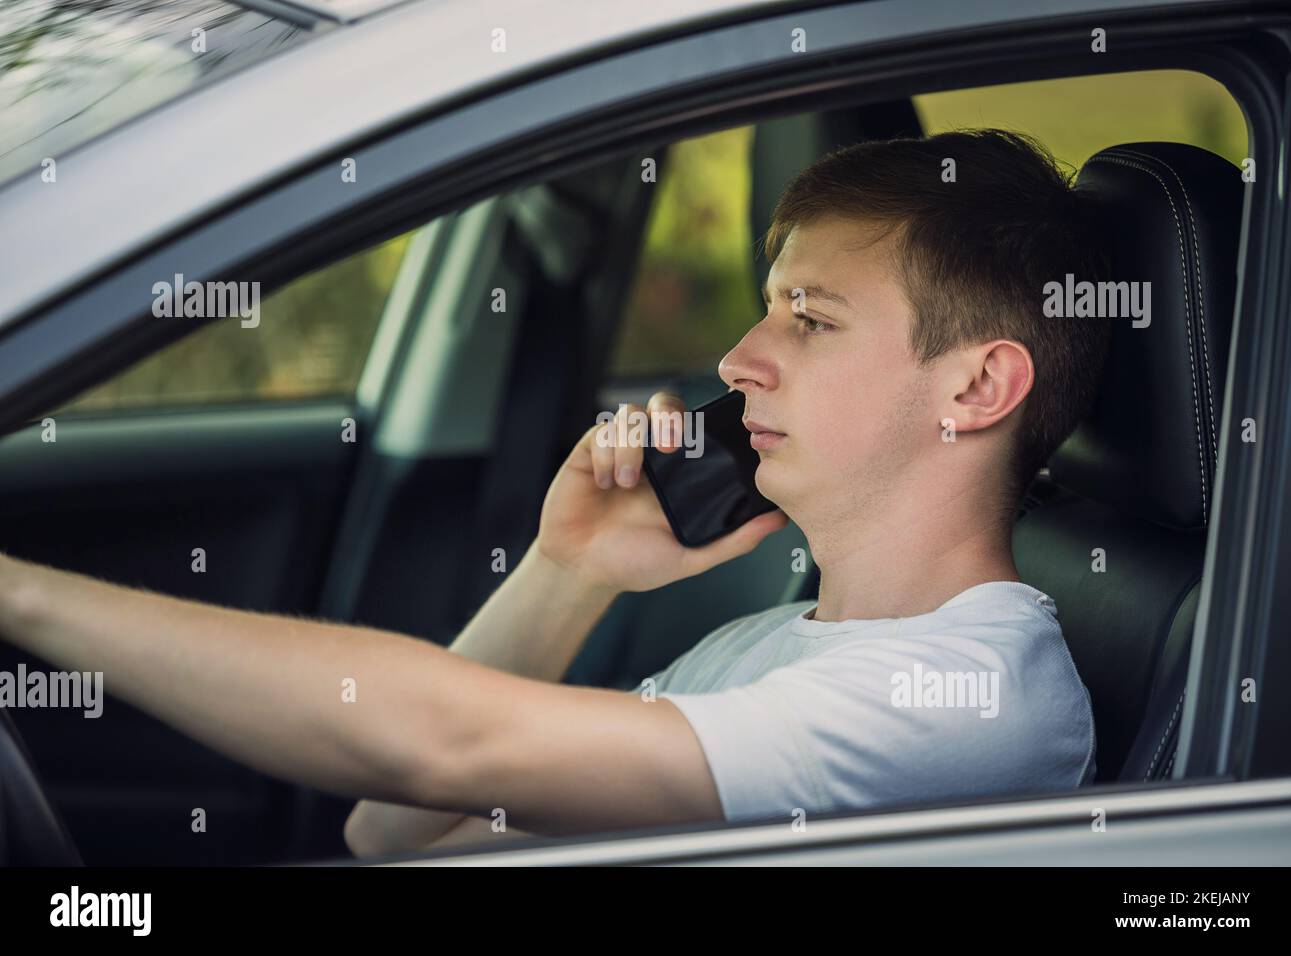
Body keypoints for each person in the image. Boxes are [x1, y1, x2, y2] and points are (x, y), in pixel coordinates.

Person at [0, 129, 1106, 859]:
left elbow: (441, 747)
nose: (736, 358)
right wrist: (567, 571)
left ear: (976, 384)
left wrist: (25, 599)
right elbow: (390, 829)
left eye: (808, 320)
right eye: (768, 308)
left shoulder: (961, 697)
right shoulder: (776, 642)